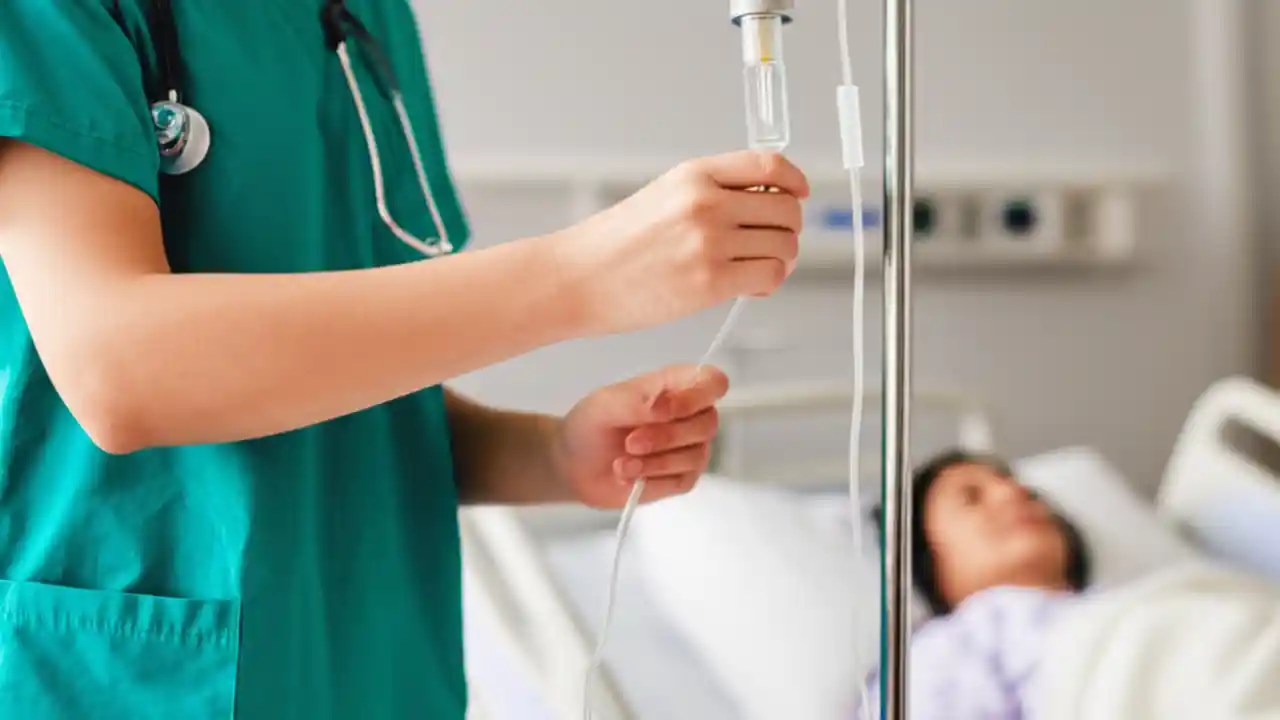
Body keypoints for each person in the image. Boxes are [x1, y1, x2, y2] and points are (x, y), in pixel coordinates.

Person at [0, 2, 808, 719]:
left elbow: (360, 392)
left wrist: (550, 456)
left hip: (374, 668)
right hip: (130, 675)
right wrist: (579, 276)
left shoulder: (364, 18)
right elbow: (121, 371)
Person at [859, 450, 1091, 719]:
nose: (1012, 493)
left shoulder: (1121, 602)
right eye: (972, 498)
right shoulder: (943, 652)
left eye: (1031, 495)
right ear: (925, 552)